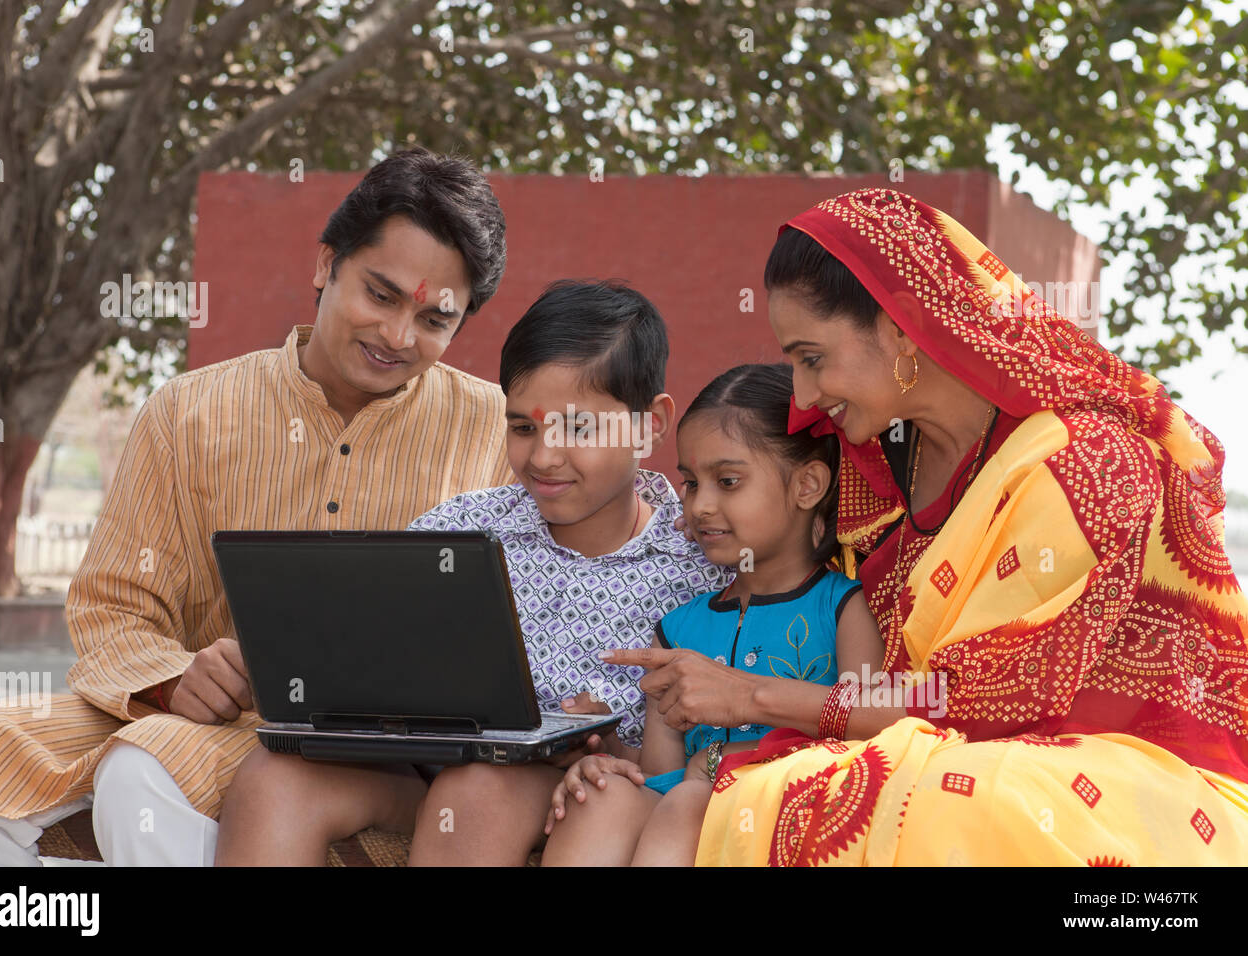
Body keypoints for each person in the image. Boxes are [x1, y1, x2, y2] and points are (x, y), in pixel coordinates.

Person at [605, 187, 1248, 865]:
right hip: (906, 741)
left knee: (955, 800)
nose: (801, 395)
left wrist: (752, 695)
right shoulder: (872, 465)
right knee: (757, 789)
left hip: (1113, 771)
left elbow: (983, 704)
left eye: (812, 358)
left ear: (899, 325)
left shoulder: (1087, 461)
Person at [0, 147, 519, 866]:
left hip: (381, 759)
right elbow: (113, 609)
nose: (399, 336)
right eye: (380, 293)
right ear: (325, 265)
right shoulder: (191, 412)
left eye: (435, 319)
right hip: (193, 720)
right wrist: (171, 678)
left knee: (141, 773)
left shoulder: (498, 433)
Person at [214, 279, 733, 866]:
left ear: (650, 424)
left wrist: (615, 748)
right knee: (274, 773)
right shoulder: (461, 531)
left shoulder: (703, 559)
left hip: (572, 793)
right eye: (522, 427)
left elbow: (712, 745)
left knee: (480, 786)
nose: (543, 457)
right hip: (422, 773)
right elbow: (369, 649)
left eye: (577, 430)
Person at [539, 363, 883, 865]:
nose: (699, 505)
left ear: (807, 486)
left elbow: (869, 730)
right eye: (691, 482)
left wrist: (723, 767)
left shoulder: (842, 607)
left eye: (727, 481)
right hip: (683, 805)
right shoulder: (679, 628)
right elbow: (661, 775)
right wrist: (606, 750)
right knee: (601, 796)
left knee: (691, 799)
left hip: (791, 805)